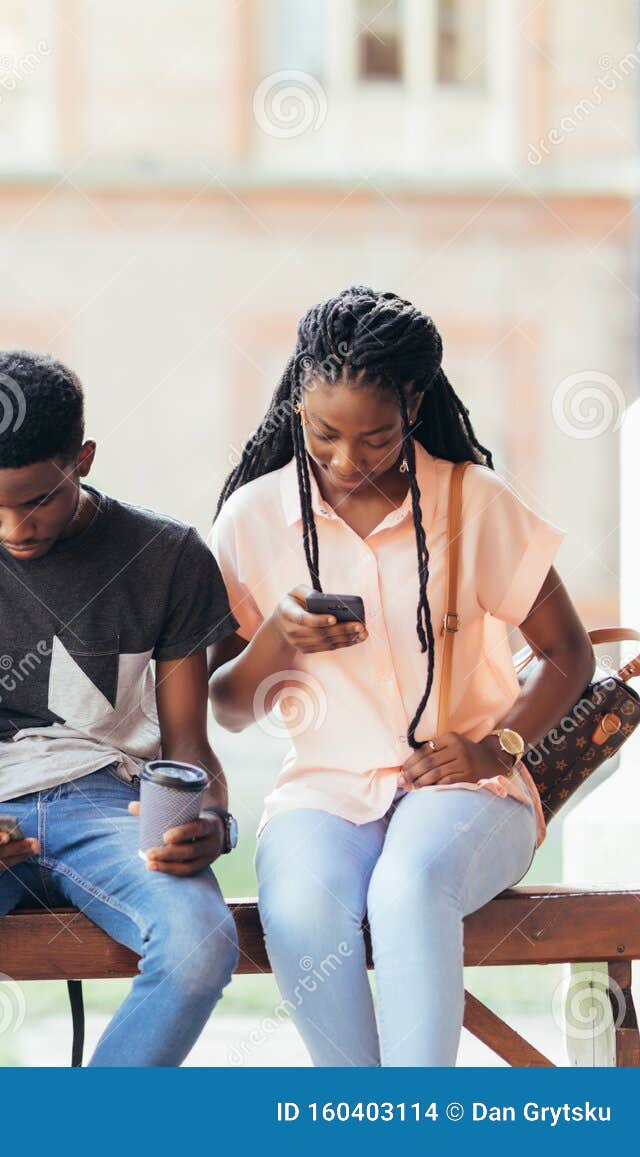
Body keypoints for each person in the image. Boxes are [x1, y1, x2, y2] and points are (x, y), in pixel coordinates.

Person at [208, 286, 594, 1066]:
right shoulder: (253, 517)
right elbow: (228, 705)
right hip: (324, 788)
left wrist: (499, 746)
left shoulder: (473, 501)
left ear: (413, 404)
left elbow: (568, 655)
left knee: (407, 888)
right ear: (296, 406)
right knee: (304, 909)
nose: (346, 462)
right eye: (322, 437)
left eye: (375, 441)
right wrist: (276, 641)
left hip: (466, 790)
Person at [0, 349, 241, 1066]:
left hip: (114, 805)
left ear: (82, 459)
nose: (15, 527)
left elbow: (189, 745)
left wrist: (212, 818)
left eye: (38, 501)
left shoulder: (168, 555)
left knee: (201, 943)